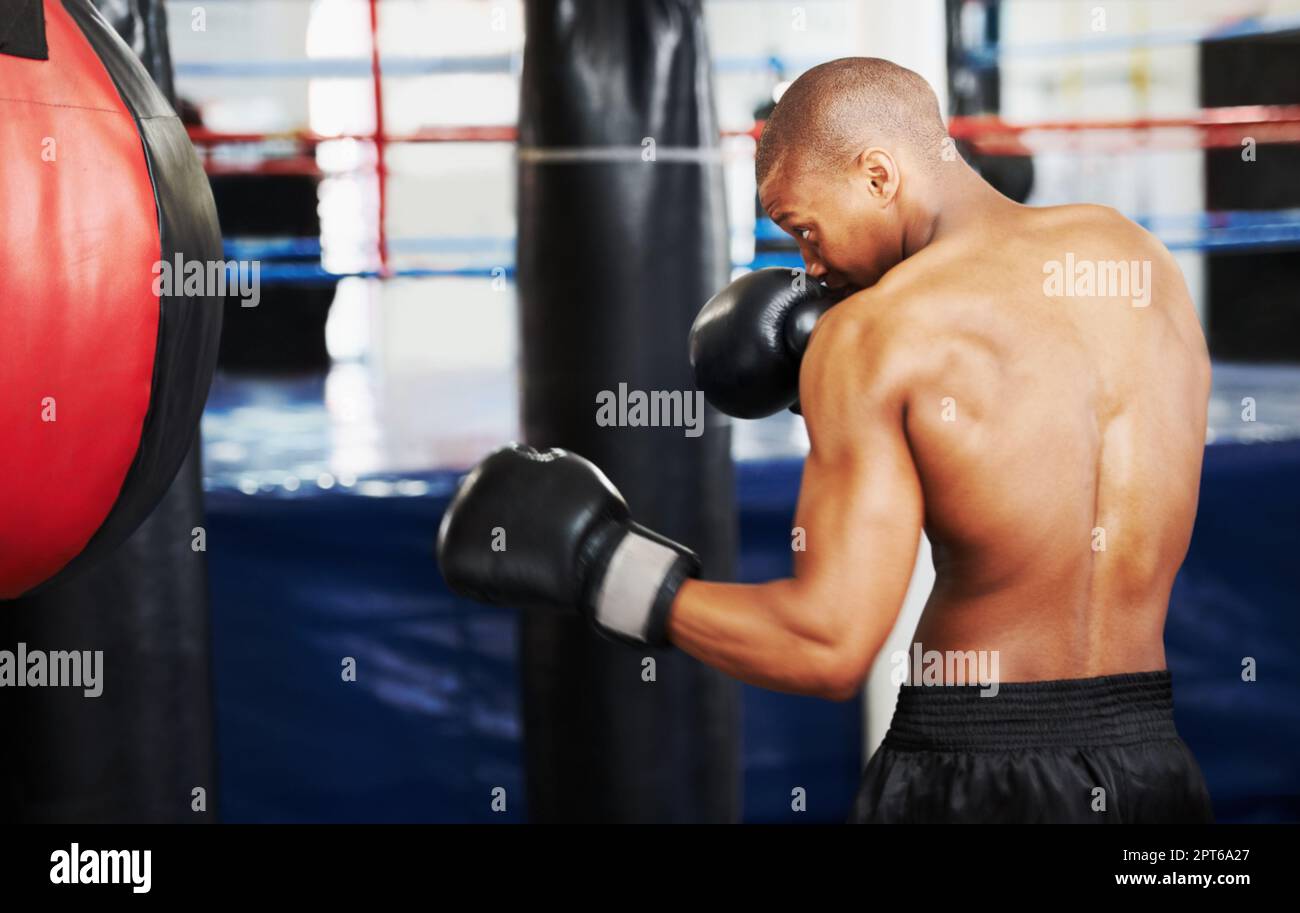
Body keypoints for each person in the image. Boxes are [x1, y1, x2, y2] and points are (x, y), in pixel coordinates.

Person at [439, 57, 1215, 823]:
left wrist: (605, 568)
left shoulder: (873, 336)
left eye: (804, 228)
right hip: (1152, 761)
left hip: (975, 776)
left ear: (879, 175)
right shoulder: (1142, 264)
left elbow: (827, 644)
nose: (809, 266)